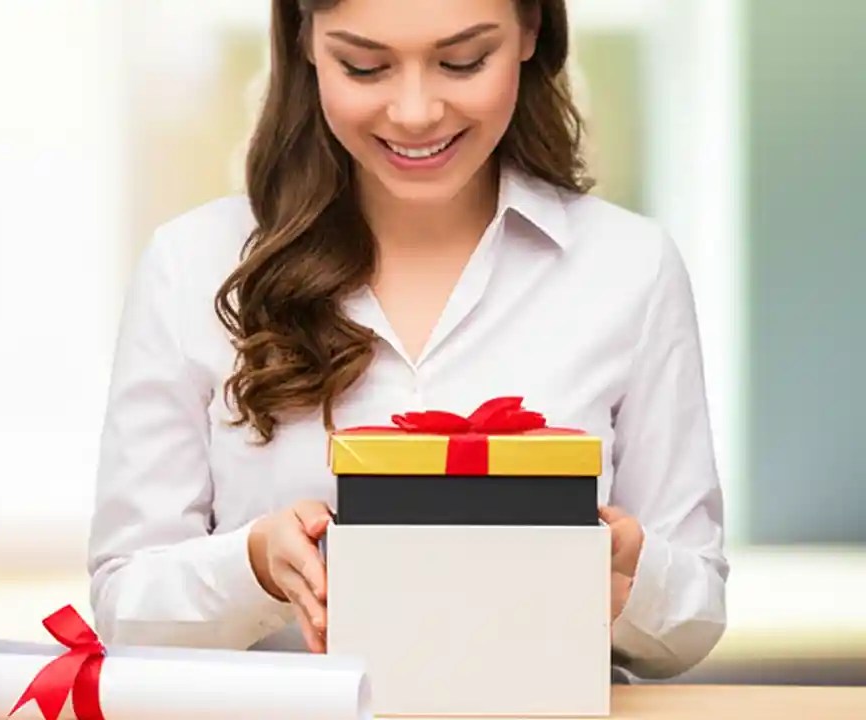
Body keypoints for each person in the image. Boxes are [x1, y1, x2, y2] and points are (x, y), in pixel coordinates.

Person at [87, 0, 728, 681]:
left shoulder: (630, 267)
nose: (416, 112)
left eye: (462, 62)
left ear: (531, 32)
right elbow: (126, 606)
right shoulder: (193, 267)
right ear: (304, 41)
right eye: (364, 67)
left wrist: (629, 576)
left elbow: (694, 616)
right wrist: (254, 567)